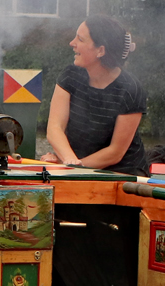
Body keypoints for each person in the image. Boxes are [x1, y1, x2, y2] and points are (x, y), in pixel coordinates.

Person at [41, 15, 147, 173]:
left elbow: (115, 153)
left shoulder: (131, 89)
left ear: (101, 50)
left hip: (122, 173)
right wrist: (69, 161)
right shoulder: (71, 75)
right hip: (78, 167)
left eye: (80, 39)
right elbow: (55, 127)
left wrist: (74, 167)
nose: (72, 43)